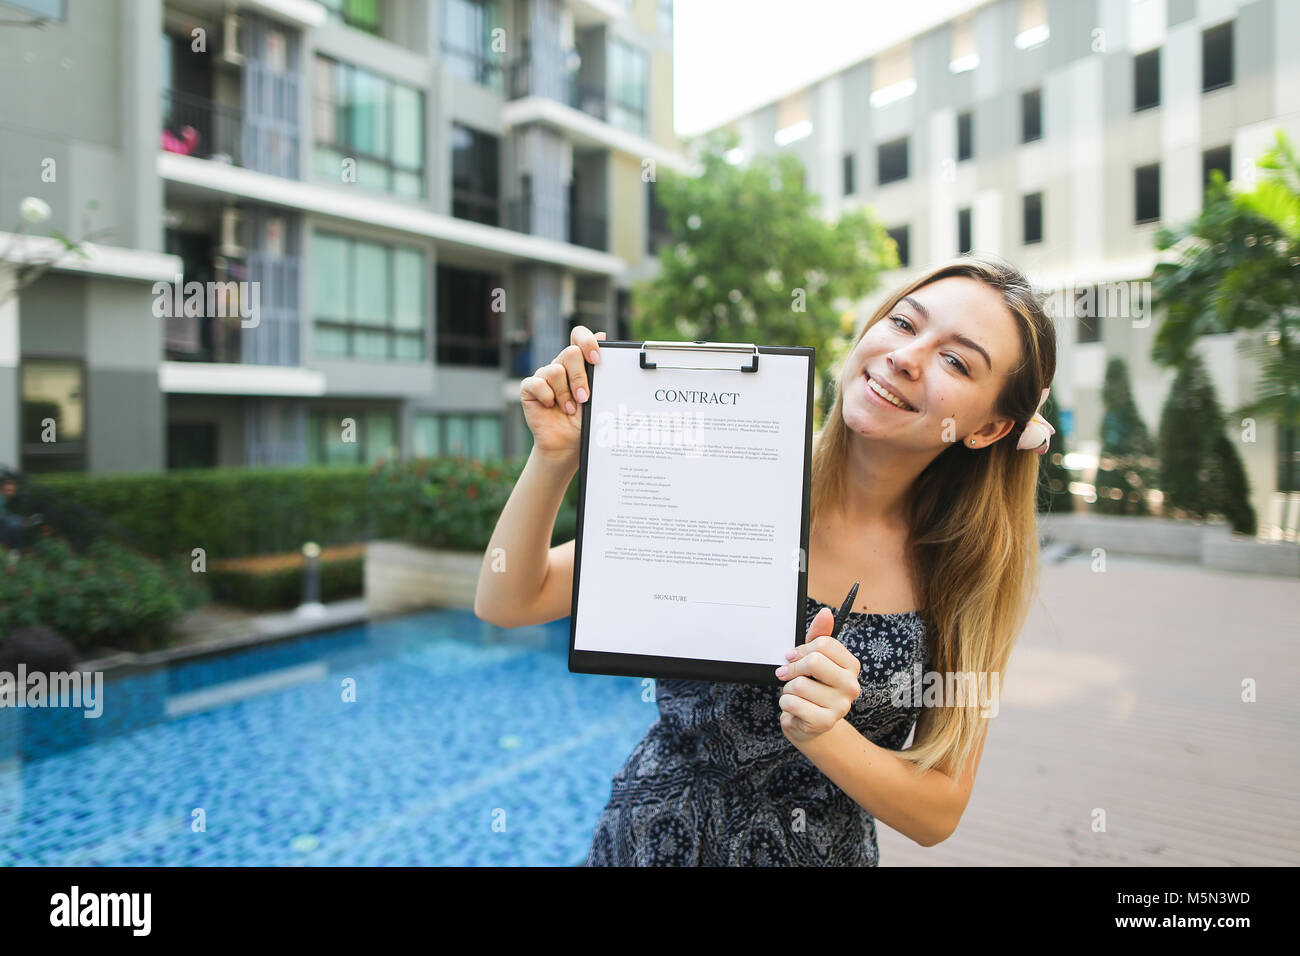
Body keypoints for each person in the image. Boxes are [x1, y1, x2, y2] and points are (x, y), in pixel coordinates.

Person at [474, 252, 1057, 865]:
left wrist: (825, 735)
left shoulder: (967, 569)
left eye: (956, 361)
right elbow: (507, 600)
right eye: (905, 324)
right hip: (648, 843)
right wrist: (554, 458)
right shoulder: (737, 466)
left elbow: (938, 811)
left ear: (990, 429)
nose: (906, 358)